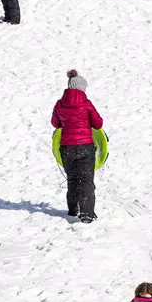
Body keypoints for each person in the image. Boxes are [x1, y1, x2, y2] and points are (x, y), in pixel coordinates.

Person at [51, 70, 104, 222]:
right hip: (85, 146)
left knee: (73, 179)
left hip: (67, 147)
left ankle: (73, 210)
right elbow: (98, 123)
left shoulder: (60, 104)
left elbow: (55, 123)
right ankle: (87, 213)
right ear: (81, 88)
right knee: (86, 179)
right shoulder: (86, 104)